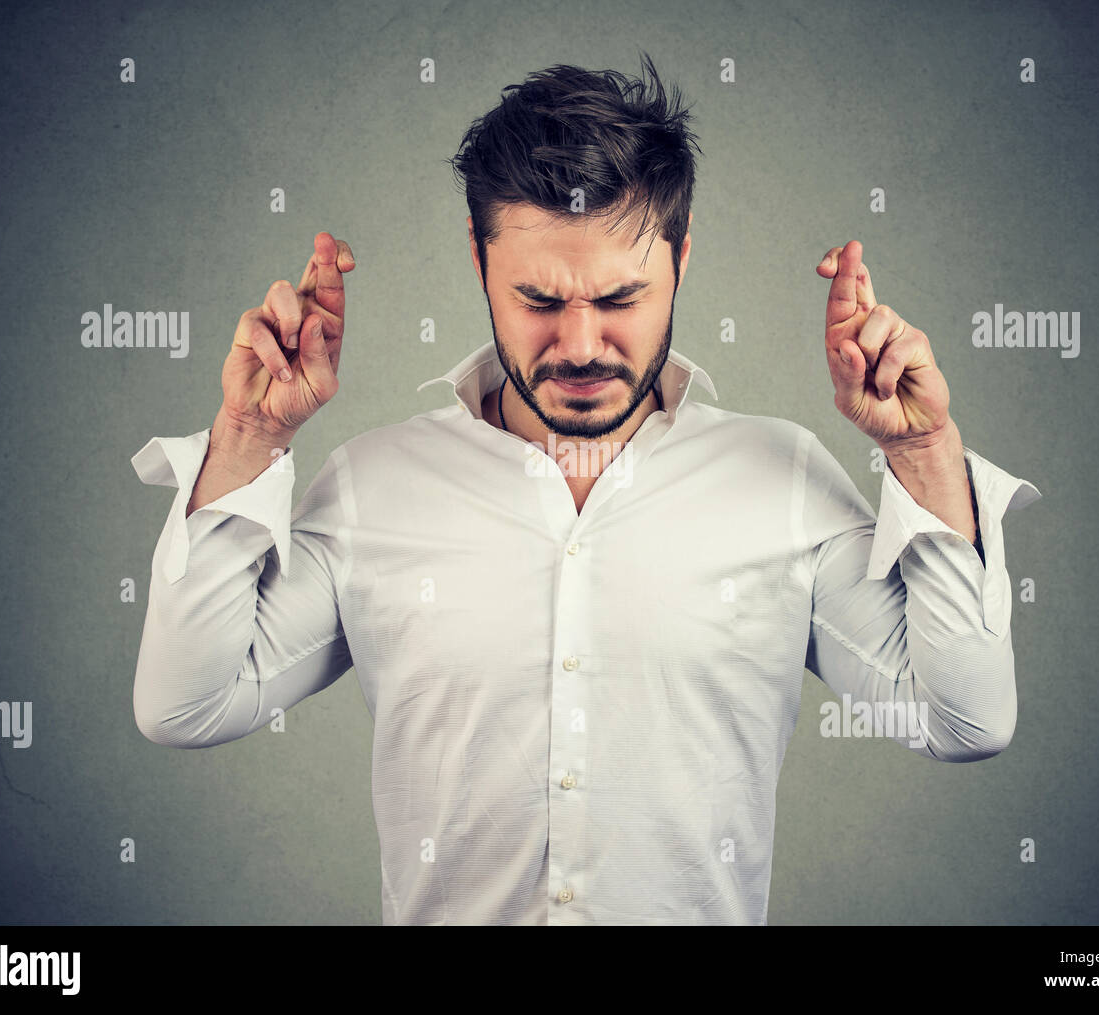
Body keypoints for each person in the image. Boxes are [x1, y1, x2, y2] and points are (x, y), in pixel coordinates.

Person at [130, 54, 1041, 925]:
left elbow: (963, 718)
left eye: (618, 299)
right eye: (538, 299)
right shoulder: (375, 484)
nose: (576, 344)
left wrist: (924, 451)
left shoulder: (784, 481)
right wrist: (251, 437)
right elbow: (186, 703)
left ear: (681, 264)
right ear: (480, 261)